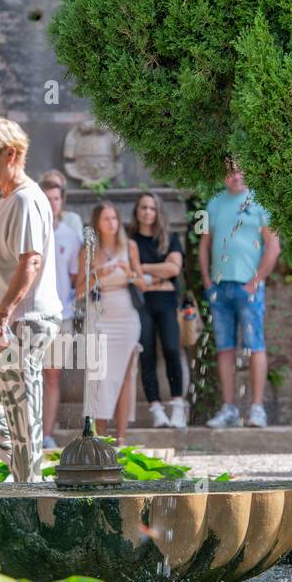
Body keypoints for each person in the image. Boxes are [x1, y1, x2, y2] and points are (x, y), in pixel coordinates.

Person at [0, 118, 63, 482]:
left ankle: (30, 488)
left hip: (23, 322)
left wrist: (2, 316)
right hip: (5, 324)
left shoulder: (24, 198)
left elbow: (30, 262)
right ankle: (27, 472)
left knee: (22, 410)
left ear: (12, 154)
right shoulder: (8, 199)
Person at [199, 158, 280, 428]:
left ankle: (257, 408)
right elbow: (204, 244)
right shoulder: (213, 203)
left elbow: (273, 246)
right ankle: (229, 408)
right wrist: (207, 281)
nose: (235, 176)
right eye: (229, 172)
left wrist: (256, 280)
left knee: (255, 346)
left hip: (249, 287)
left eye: (238, 170)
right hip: (219, 288)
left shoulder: (260, 202)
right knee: (224, 348)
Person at [77, 201, 144, 443]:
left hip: (126, 316)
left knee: (127, 374)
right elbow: (78, 292)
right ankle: (101, 435)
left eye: (115, 218)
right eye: (106, 219)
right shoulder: (88, 251)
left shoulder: (130, 247)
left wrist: (131, 274)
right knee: (100, 376)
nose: (112, 224)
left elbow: (142, 283)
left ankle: (122, 437)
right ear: (97, 223)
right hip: (100, 316)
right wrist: (99, 274)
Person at [129, 191, 187, 428]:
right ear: (137, 211)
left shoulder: (169, 238)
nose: (147, 212)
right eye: (143, 208)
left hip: (167, 301)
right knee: (147, 355)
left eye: (152, 208)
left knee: (173, 349)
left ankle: (178, 406)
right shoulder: (130, 240)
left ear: (158, 212)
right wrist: (156, 274)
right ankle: (156, 409)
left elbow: (174, 269)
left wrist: (143, 267)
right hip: (141, 304)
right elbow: (134, 277)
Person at [39, 174, 83, 449]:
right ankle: (25, 434)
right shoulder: (29, 232)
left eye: (56, 199)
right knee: (25, 375)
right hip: (30, 314)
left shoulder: (70, 235)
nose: (52, 203)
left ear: (61, 202)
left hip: (61, 315)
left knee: (52, 376)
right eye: (47, 199)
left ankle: (46, 434)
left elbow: (76, 277)